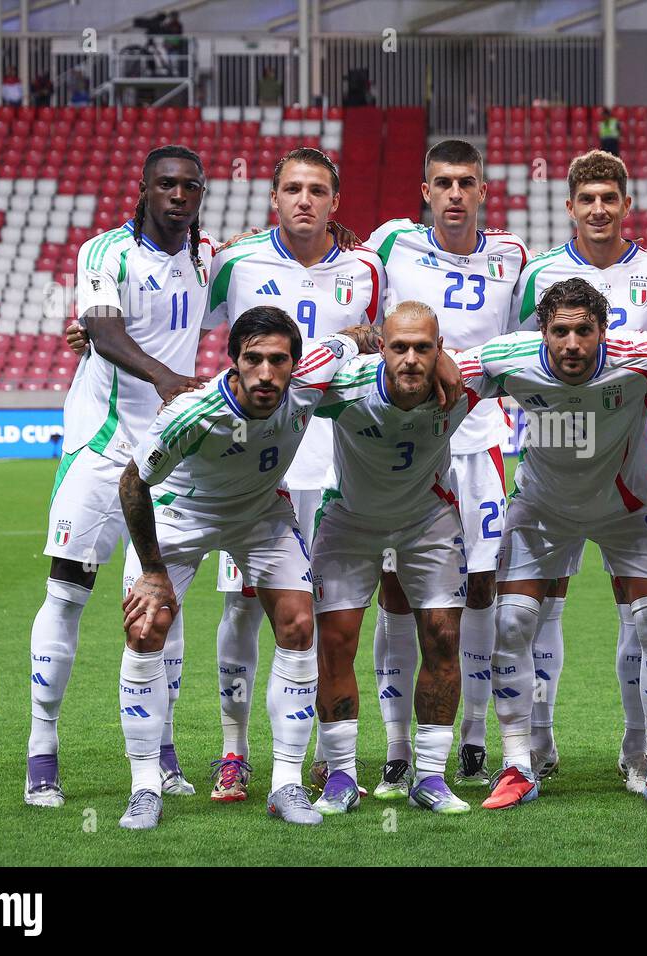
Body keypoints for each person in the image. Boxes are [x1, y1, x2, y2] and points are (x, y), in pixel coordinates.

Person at [115, 311, 372, 829]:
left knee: (300, 624)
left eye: (278, 360)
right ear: (233, 361)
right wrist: (152, 572)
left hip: (259, 516)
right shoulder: (194, 412)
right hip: (181, 515)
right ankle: (144, 788)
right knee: (146, 629)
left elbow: (345, 341)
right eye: (252, 359)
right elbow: (132, 483)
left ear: (294, 364)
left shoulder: (310, 379)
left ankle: (286, 784)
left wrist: (365, 335)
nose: (265, 373)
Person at [24, 146, 216, 809]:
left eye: (190, 185)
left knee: (162, 601)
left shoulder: (205, 258)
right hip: (102, 445)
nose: (178, 194)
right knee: (69, 593)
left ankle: (162, 754)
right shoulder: (105, 252)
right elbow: (101, 329)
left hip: (169, 450)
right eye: (166, 184)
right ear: (143, 188)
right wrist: (164, 377)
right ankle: (41, 754)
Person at [462, 278, 647, 811]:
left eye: (583, 331)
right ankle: (518, 761)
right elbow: (443, 367)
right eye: (559, 331)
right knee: (513, 623)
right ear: (541, 331)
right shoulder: (508, 359)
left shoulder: (642, 356)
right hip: (543, 511)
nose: (571, 344)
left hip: (628, 512)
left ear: (602, 331)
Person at [510, 149, 647, 792]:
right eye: (585, 199)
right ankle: (534, 748)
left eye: (608, 199)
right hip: (548, 474)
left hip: (629, 476)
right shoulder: (537, 277)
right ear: (569, 207)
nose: (597, 209)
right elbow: (510, 357)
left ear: (626, 204)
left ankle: (642, 751)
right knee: (531, 617)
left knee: (645, 619)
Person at [202, 148, 387, 803]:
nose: (304, 200)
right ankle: (233, 751)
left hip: (340, 463)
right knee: (244, 606)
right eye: (292, 189)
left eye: (317, 190)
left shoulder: (367, 267)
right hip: (258, 467)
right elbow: (180, 323)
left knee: (324, 614)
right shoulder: (236, 262)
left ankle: (323, 757)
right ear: (273, 197)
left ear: (334, 203)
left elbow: (393, 335)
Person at [359, 140, 528, 795]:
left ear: (483, 189)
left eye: (466, 183)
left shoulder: (512, 256)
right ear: (425, 192)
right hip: (405, 443)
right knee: (397, 590)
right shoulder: (392, 242)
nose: (455, 194)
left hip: (481, 440)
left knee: (479, 589)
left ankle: (476, 737)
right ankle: (399, 747)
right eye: (442, 184)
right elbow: (331, 261)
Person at [310, 303, 475, 816]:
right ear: (380, 348)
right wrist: (344, 337)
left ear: (439, 348)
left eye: (423, 348)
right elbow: (289, 369)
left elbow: (542, 360)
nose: (410, 359)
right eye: (398, 347)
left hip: (428, 519)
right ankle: (339, 775)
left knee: (445, 638)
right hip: (349, 520)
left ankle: (429, 776)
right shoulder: (346, 386)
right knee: (335, 644)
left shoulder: (466, 381)